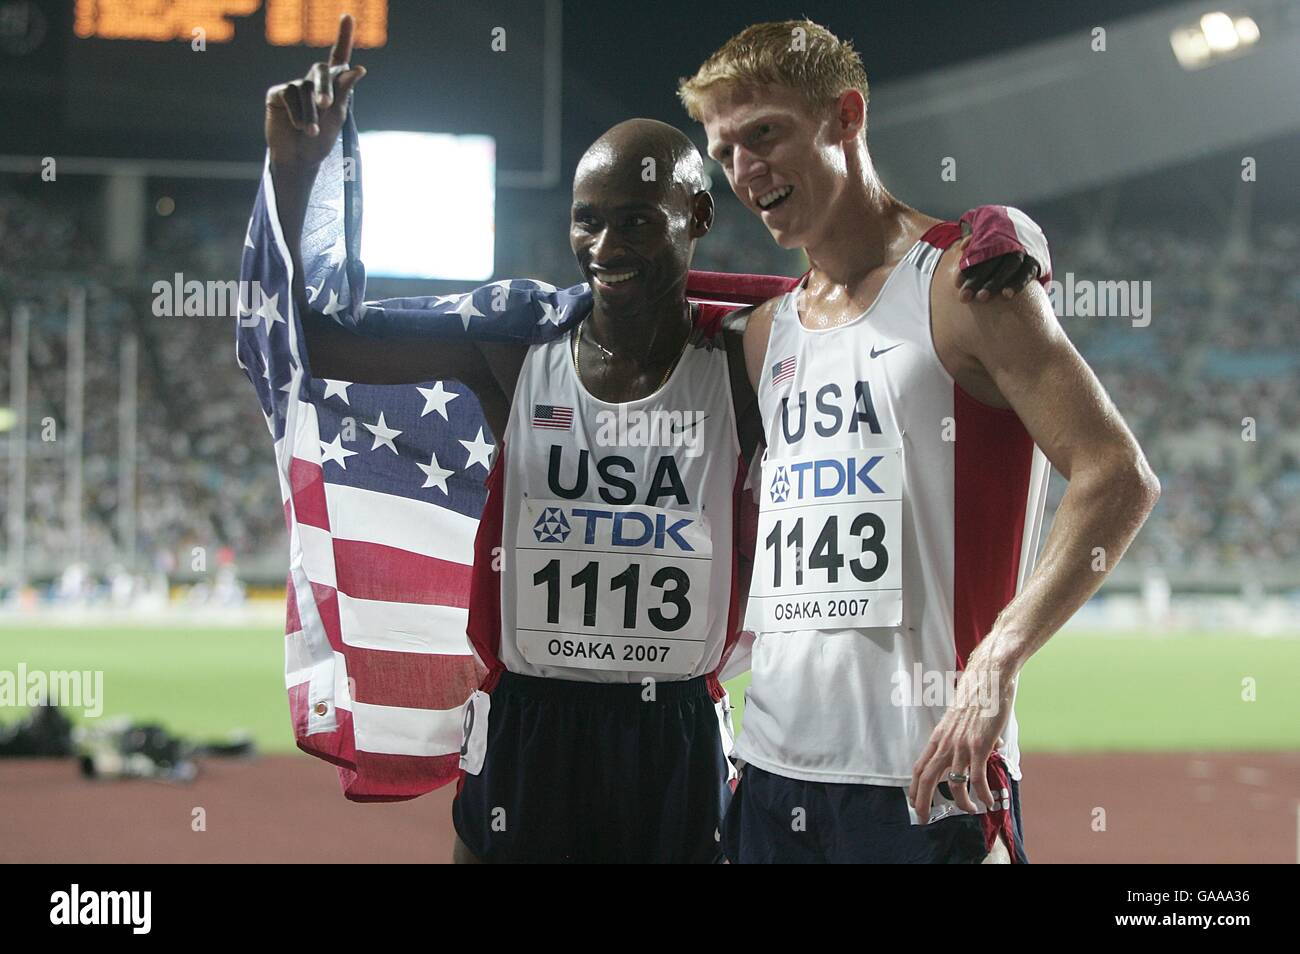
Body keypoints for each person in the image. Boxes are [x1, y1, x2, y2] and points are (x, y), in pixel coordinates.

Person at [257, 14, 1051, 863]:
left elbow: (859, 292)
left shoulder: (746, 350)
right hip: (529, 723)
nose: (605, 247)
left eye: (636, 221)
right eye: (587, 221)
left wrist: (1001, 231)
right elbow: (318, 340)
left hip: (676, 727)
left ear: (695, 214)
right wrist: (296, 171)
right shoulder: (516, 346)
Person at [678, 19, 1160, 863]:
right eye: (724, 152)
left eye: (764, 134)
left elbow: (1116, 474)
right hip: (768, 769)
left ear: (845, 117)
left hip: (927, 773)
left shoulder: (967, 283)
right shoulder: (764, 335)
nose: (745, 169)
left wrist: (999, 659)